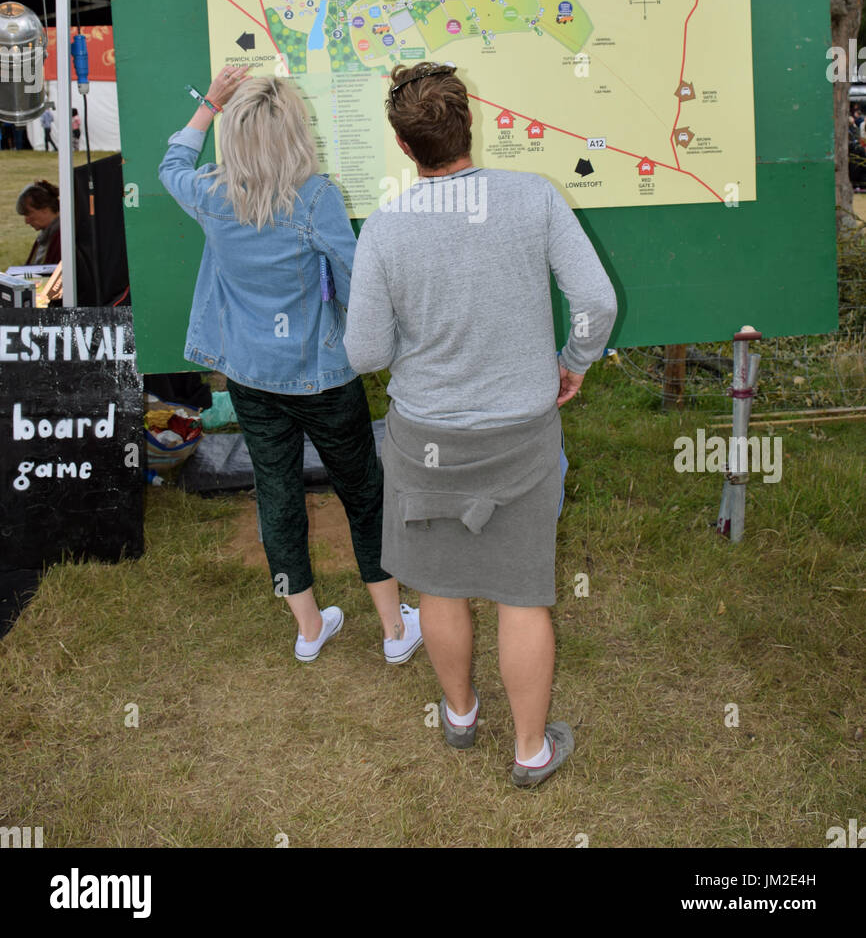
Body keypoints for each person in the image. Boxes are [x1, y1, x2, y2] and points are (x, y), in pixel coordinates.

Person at [344, 62, 618, 787]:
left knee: (438, 584)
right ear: (471, 125)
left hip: (425, 435)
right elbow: (595, 301)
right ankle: (530, 750)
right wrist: (575, 360)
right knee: (522, 593)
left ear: (405, 147)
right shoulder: (533, 198)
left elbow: (366, 350)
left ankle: (460, 714)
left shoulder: (385, 227)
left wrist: (421, 351)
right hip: (522, 430)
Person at [158, 67, 423, 665]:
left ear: (235, 136)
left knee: (275, 494)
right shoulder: (318, 195)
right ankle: (393, 628)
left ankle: (308, 628)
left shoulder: (210, 193)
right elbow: (358, 281)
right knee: (363, 493)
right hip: (325, 376)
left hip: (250, 379)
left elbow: (170, 165)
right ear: (296, 134)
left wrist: (209, 103)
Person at [16, 179, 61, 265]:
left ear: (45, 209)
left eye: (29, 213)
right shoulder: (45, 237)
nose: (27, 221)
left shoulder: (61, 238)